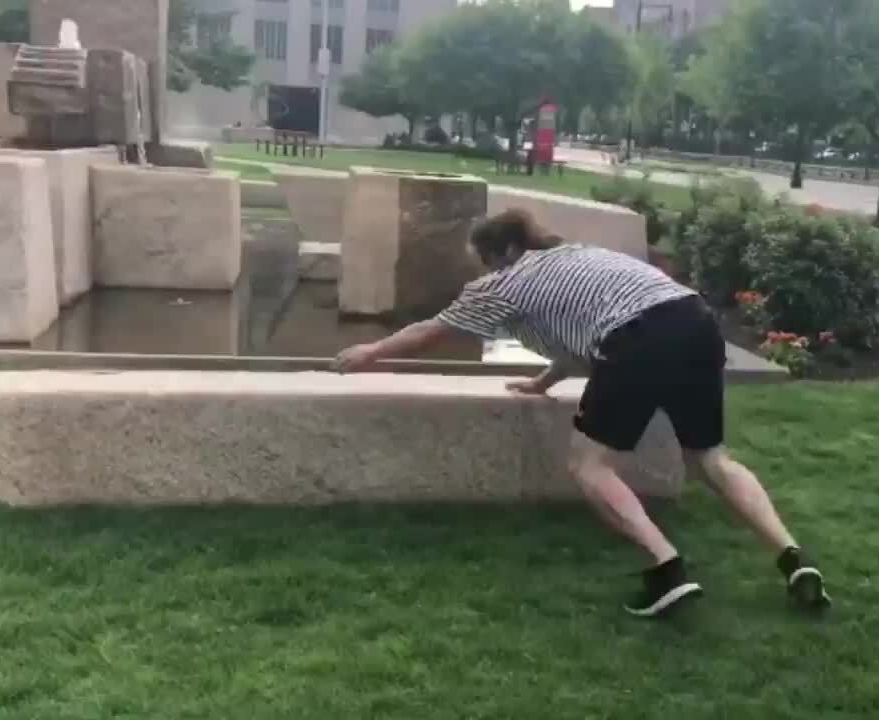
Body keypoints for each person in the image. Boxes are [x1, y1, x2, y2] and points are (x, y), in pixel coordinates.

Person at [332, 209, 830, 618]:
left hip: (638, 336)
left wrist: (369, 353)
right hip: (695, 322)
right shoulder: (580, 256)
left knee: (589, 465)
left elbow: (430, 331)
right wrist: (541, 383)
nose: (483, 273)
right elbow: (580, 343)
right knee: (712, 459)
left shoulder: (504, 281)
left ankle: (666, 569)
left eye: (484, 261)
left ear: (502, 252)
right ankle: (793, 559)